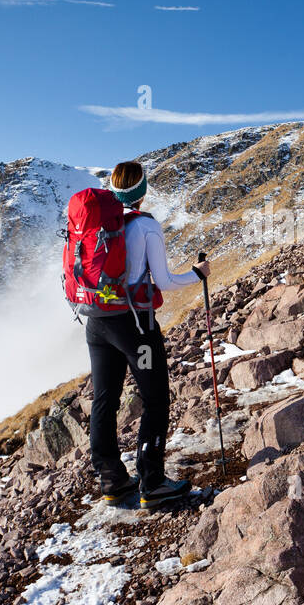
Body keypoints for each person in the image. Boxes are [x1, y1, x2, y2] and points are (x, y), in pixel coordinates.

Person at [86, 161, 208, 509]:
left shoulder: (99, 224)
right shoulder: (145, 226)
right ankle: (151, 482)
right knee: (155, 398)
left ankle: (112, 481)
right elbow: (165, 281)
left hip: (97, 322)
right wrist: (198, 275)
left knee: (104, 398)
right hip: (135, 325)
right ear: (142, 191)